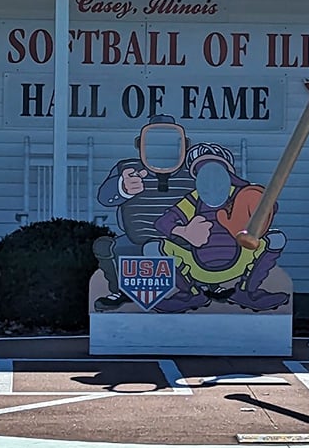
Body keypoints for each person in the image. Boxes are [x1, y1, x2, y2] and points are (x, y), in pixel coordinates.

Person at [152, 143, 289, 312]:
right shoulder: (193, 200)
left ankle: (247, 291)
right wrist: (184, 232)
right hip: (198, 266)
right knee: (153, 248)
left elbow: (268, 208)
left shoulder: (241, 195)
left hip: (238, 262)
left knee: (275, 239)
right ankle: (191, 293)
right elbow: (163, 223)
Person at [92, 115, 194, 311]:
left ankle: (198, 289)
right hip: (137, 241)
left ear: (184, 145)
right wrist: (123, 187)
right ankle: (121, 290)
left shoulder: (194, 171)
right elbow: (104, 197)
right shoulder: (127, 169)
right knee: (107, 247)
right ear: (140, 145)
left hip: (183, 244)